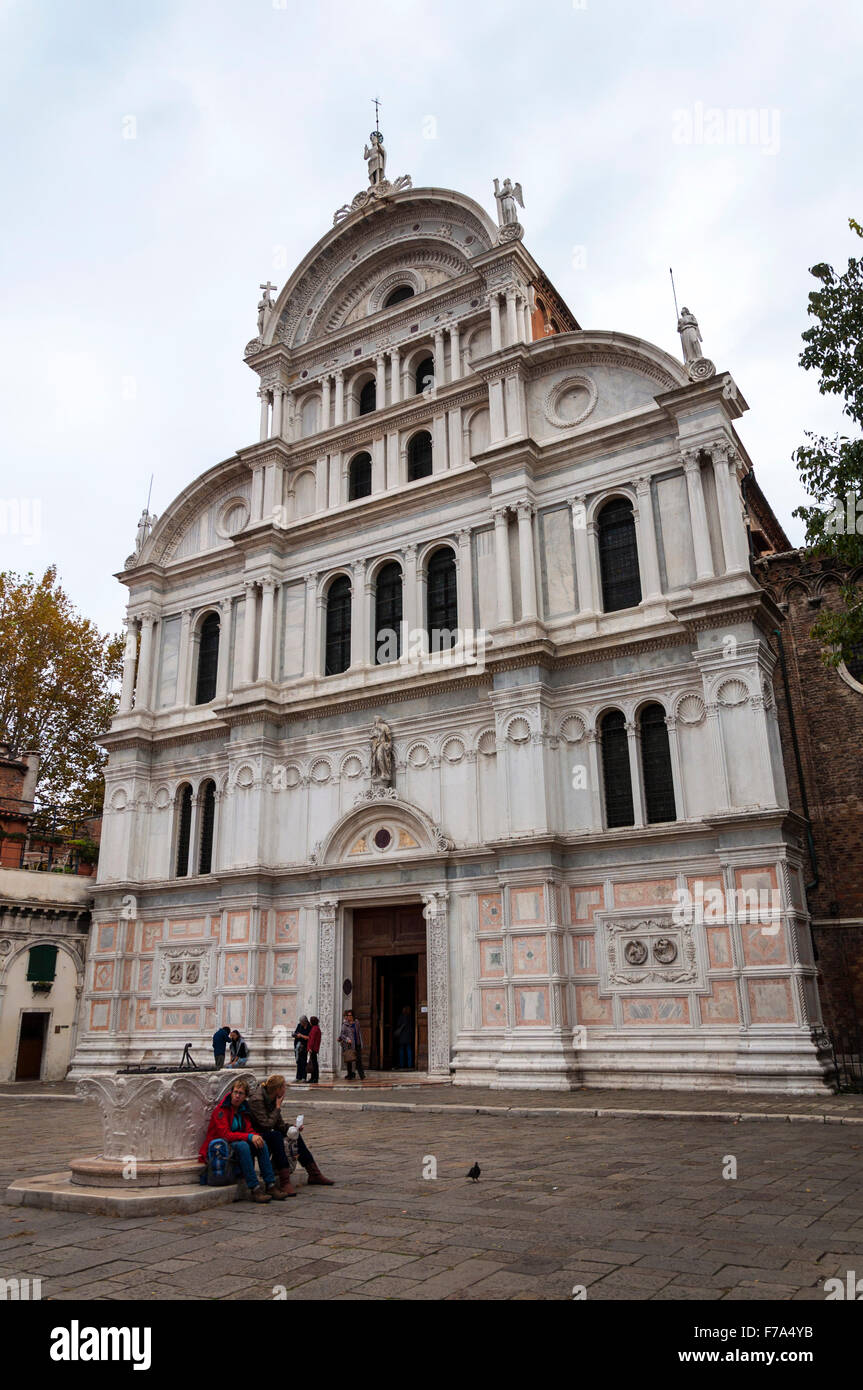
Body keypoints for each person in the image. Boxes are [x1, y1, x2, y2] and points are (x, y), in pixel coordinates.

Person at [198, 1076, 286, 1203]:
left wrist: (255, 1136)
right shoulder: (221, 1110)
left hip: (237, 1142)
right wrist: (249, 1137)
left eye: (241, 1094)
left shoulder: (243, 1109)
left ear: (245, 1096)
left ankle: (270, 1184)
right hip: (223, 1146)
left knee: (261, 1142)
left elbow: (248, 1129)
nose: (237, 1096)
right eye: (235, 1092)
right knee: (243, 1146)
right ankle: (255, 1188)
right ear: (231, 1093)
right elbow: (226, 1135)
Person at [247, 1074, 334, 1194]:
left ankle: (314, 1173)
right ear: (277, 1089)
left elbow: (279, 1124)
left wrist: (293, 1128)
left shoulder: (272, 1098)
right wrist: (277, 1107)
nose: (285, 1090)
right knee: (277, 1136)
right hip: (255, 1135)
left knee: (295, 1135)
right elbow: (266, 1125)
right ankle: (285, 1181)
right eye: (284, 1087)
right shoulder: (257, 1099)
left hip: (266, 1132)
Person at [338, 1009, 365, 1080]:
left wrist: (361, 1043)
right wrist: (347, 1039)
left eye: (350, 1015)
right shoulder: (345, 1025)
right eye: (348, 1015)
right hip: (349, 1045)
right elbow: (342, 1035)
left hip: (357, 1043)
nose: (349, 1017)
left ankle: (362, 1075)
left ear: (353, 1016)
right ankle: (350, 1074)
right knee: (349, 1060)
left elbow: (359, 1033)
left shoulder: (356, 1023)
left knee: (359, 1060)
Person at [394, 1004, 413, 1070]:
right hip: (408, 1036)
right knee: (408, 1050)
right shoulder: (410, 1017)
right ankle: (409, 1065)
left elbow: (398, 1024)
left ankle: (402, 1065)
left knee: (401, 1050)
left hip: (402, 1036)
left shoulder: (401, 1016)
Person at [292, 1016, 311, 1083]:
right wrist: (295, 1035)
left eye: (302, 1022)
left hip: (304, 1047)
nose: (301, 1023)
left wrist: (301, 1036)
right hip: (298, 1046)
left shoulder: (309, 1027)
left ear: (305, 1022)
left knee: (304, 1062)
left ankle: (304, 1077)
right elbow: (296, 1033)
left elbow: (309, 1037)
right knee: (298, 1062)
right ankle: (298, 1077)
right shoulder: (299, 1025)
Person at [307, 1016, 321, 1085]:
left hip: (313, 1049)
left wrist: (310, 1048)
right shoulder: (317, 1028)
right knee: (314, 1063)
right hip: (315, 1048)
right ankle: (314, 1078)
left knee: (314, 1064)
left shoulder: (314, 1029)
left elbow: (312, 1039)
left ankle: (314, 1078)